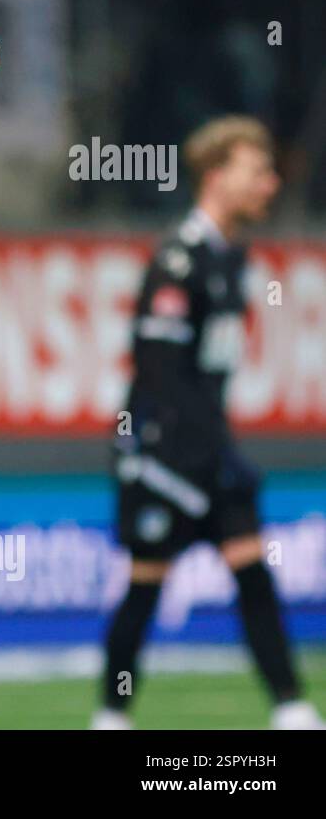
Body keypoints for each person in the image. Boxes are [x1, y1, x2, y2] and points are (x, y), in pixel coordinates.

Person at [93, 115, 323, 730]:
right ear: (218, 177)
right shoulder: (179, 261)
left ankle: (292, 708)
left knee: (252, 575)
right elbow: (159, 377)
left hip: (211, 452)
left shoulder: (228, 259)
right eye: (258, 171)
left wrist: (221, 453)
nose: (270, 184)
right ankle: (110, 717)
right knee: (146, 585)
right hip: (165, 458)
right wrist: (188, 455)